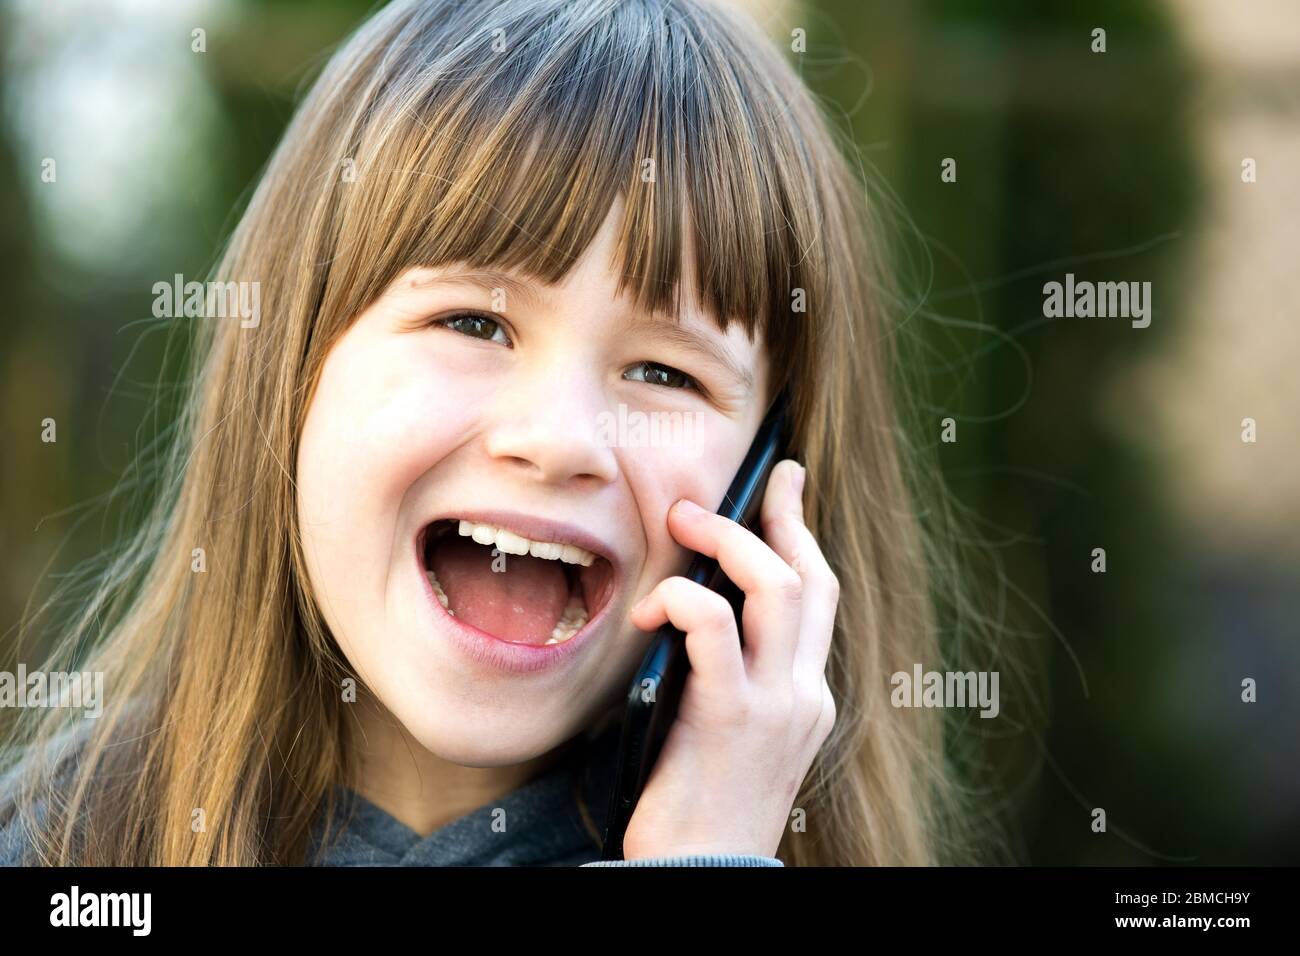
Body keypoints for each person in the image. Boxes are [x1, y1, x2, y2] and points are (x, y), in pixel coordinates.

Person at [1, 0, 986, 866]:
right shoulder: (57, 838)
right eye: (473, 322)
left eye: (663, 371)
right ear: (290, 375)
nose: (558, 438)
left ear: (771, 492)